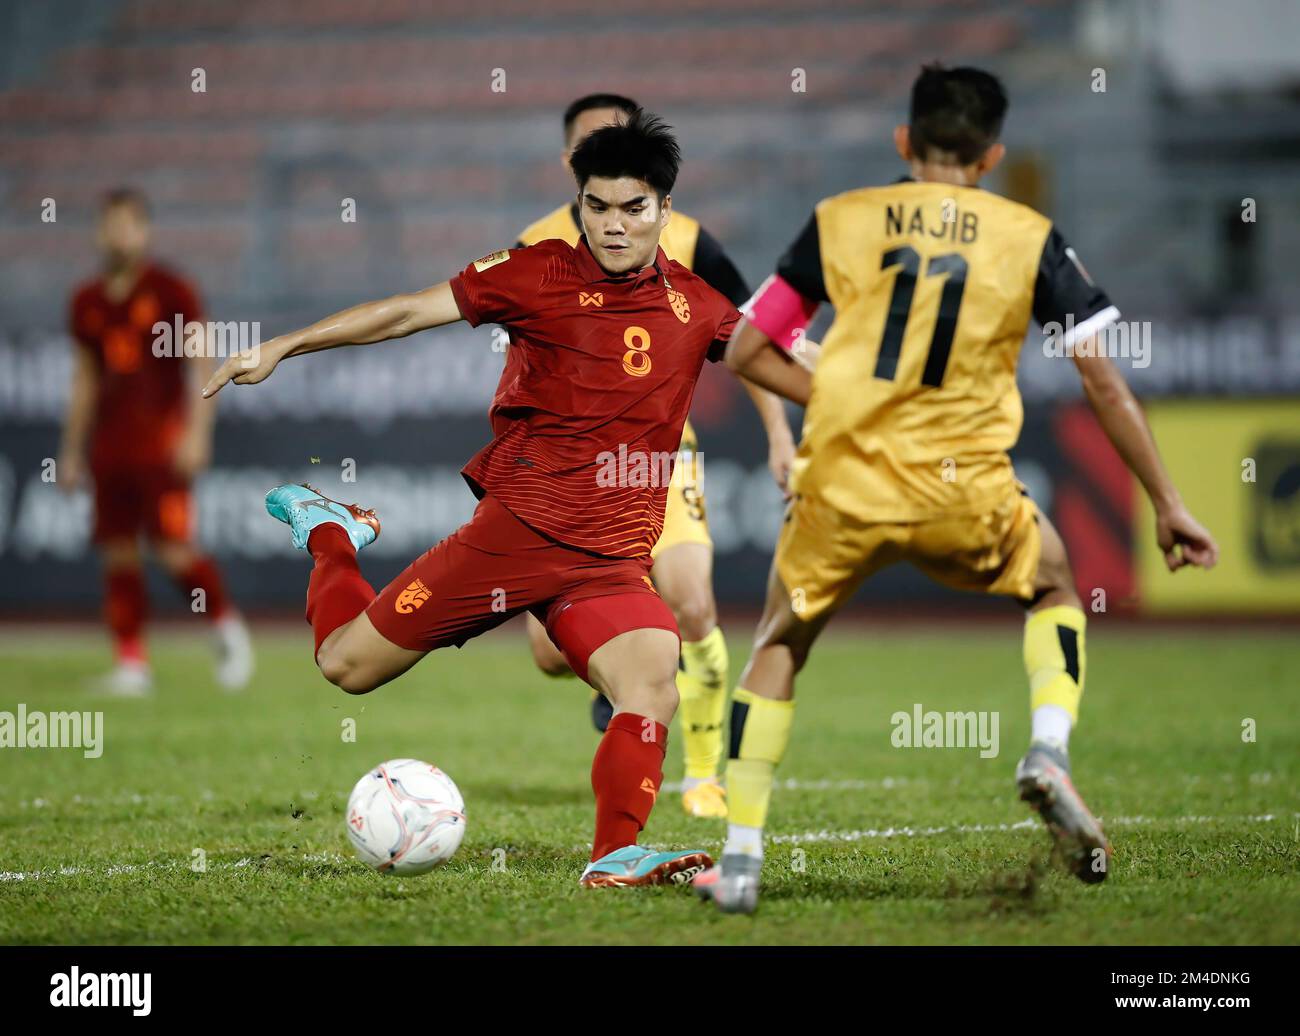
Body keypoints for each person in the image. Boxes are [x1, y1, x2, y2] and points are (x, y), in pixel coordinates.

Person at [201, 111, 808, 887]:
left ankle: (613, 855)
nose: (614, 225)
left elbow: (788, 359)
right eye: (598, 206)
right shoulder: (539, 272)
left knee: (654, 678)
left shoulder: (697, 305)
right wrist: (283, 345)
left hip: (611, 562)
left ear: (664, 208)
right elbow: (406, 311)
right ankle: (329, 530)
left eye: (633, 207)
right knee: (345, 666)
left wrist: (872, 399)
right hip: (514, 538)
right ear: (580, 201)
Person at [695, 65, 1220, 913]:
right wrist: (1168, 502)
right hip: (964, 491)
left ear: (904, 141)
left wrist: (838, 401)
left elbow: (750, 351)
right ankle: (1048, 751)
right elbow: (1106, 386)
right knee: (1053, 583)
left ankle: (744, 863)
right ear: (994, 153)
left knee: (780, 642)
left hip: (844, 486)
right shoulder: (1028, 235)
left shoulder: (840, 221)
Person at [514, 93, 797, 820]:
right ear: (569, 164)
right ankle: (623, 683)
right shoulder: (536, 250)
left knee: (693, 600)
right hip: (571, 474)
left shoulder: (692, 239)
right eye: (592, 145)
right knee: (549, 655)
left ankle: (703, 773)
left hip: (662, 462)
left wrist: (779, 434)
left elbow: (751, 343)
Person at [61, 188, 252, 695]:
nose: (119, 234)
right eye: (110, 224)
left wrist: (196, 432)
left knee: (172, 548)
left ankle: (227, 629)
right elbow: (84, 381)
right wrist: (70, 451)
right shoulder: (87, 302)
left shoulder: (170, 291)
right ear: (100, 231)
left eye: (129, 224)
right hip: (110, 447)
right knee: (118, 551)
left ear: (144, 231)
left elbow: (201, 364)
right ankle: (132, 664)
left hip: (161, 444)